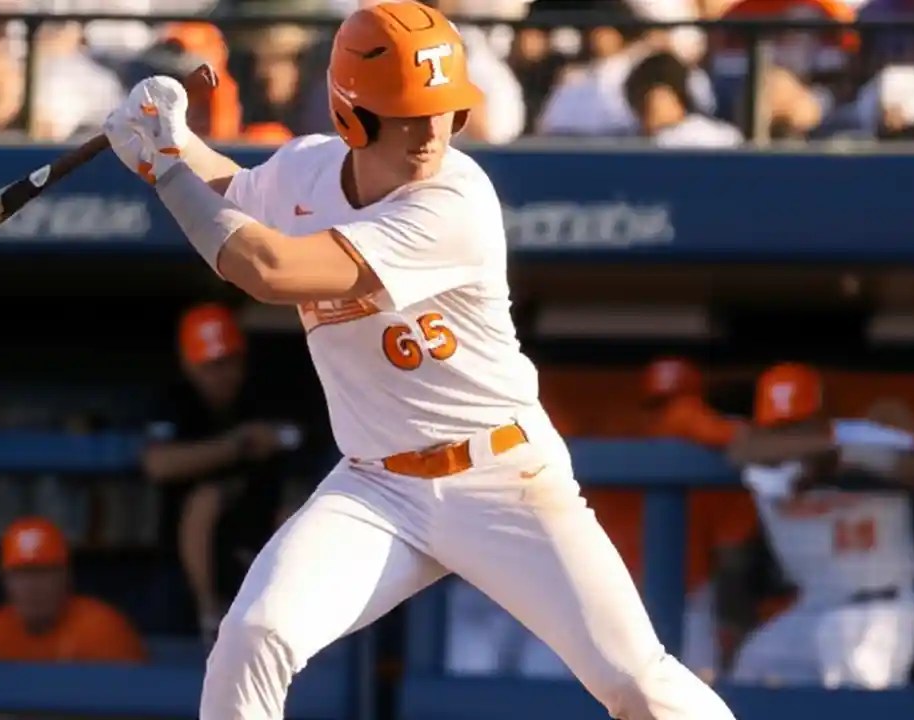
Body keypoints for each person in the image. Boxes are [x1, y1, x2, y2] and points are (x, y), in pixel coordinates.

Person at [102, 2, 737, 719]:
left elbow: (267, 267)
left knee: (635, 683)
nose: (432, 130)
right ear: (353, 115)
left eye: (445, 110)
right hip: (378, 487)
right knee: (253, 635)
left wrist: (162, 170)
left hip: (502, 476)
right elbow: (234, 196)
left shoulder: (454, 200)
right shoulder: (309, 170)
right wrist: (176, 140)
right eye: (408, 113)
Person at [729, 363, 914, 689]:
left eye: (799, 424)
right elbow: (742, 450)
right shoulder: (766, 463)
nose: (788, 436)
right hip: (814, 606)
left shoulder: (860, 439)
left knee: (858, 700)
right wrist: (820, 450)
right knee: (752, 666)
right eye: (779, 427)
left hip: (880, 609)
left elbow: (910, 445)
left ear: (822, 417)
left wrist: (853, 457)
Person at [142, 303, 302, 641]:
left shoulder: (257, 396)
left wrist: (277, 438)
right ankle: (207, 611)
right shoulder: (176, 399)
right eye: (212, 366)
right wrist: (237, 445)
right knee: (206, 500)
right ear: (189, 364)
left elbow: (299, 436)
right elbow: (158, 465)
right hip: (184, 566)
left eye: (230, 362)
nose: (224, 374)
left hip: (256, 542)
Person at [0, 517, 148, 662]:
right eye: (22, 574)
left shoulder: (103, 630)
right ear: (4, 580)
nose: (32, 586)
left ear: (67, 578)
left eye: (44, 573)